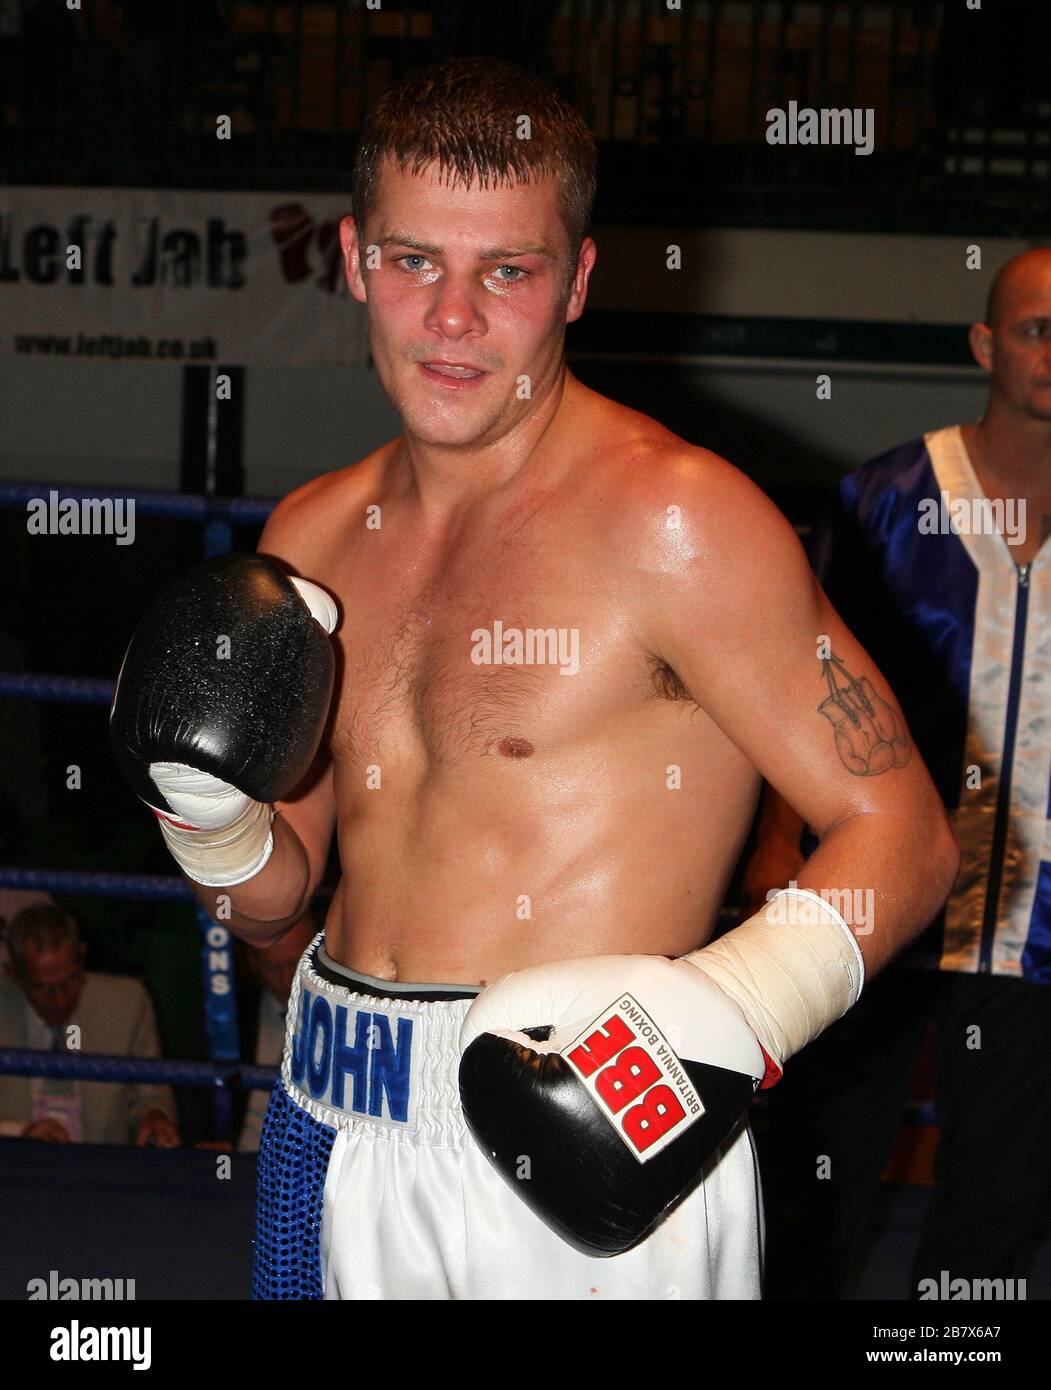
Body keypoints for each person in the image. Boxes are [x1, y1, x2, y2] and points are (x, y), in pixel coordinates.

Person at [110, 58, 957, 1299]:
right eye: (414, 262)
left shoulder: (680, 520)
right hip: (333, 1115)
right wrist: (214, 824)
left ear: (576, 281)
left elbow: (907, 837)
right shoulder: (313, 535)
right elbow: (283, 916)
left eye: (506, 270)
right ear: (351, 259)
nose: (452, 318)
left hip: (587, 1151)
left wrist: (726, 1016)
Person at [746, 247, 1051, 1298]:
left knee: (995, 1217)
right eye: (1033, 328)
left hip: (1039, 930)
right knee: (809, 1191)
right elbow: (794, 692)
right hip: (870, 901)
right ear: (984, 343)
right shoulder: (883, 500)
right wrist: (779, 858)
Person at [0, 903, 179, 1145]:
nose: (59, 999)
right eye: (42, 988)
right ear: (13, 973)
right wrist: (18, 1131)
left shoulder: (126, 1003)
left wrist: (155, 1118)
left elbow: (150, 1095)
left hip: (105, 1172)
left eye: (70, 981)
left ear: (82, 956)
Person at [238, 913, 318, 1153]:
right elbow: (199, 1100)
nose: (284, 980)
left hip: (311, 1170)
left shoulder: (344, 1020)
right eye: (272, 968)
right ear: (253, 963)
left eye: (294, 964)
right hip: (235, 1159)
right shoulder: (231, 1015)